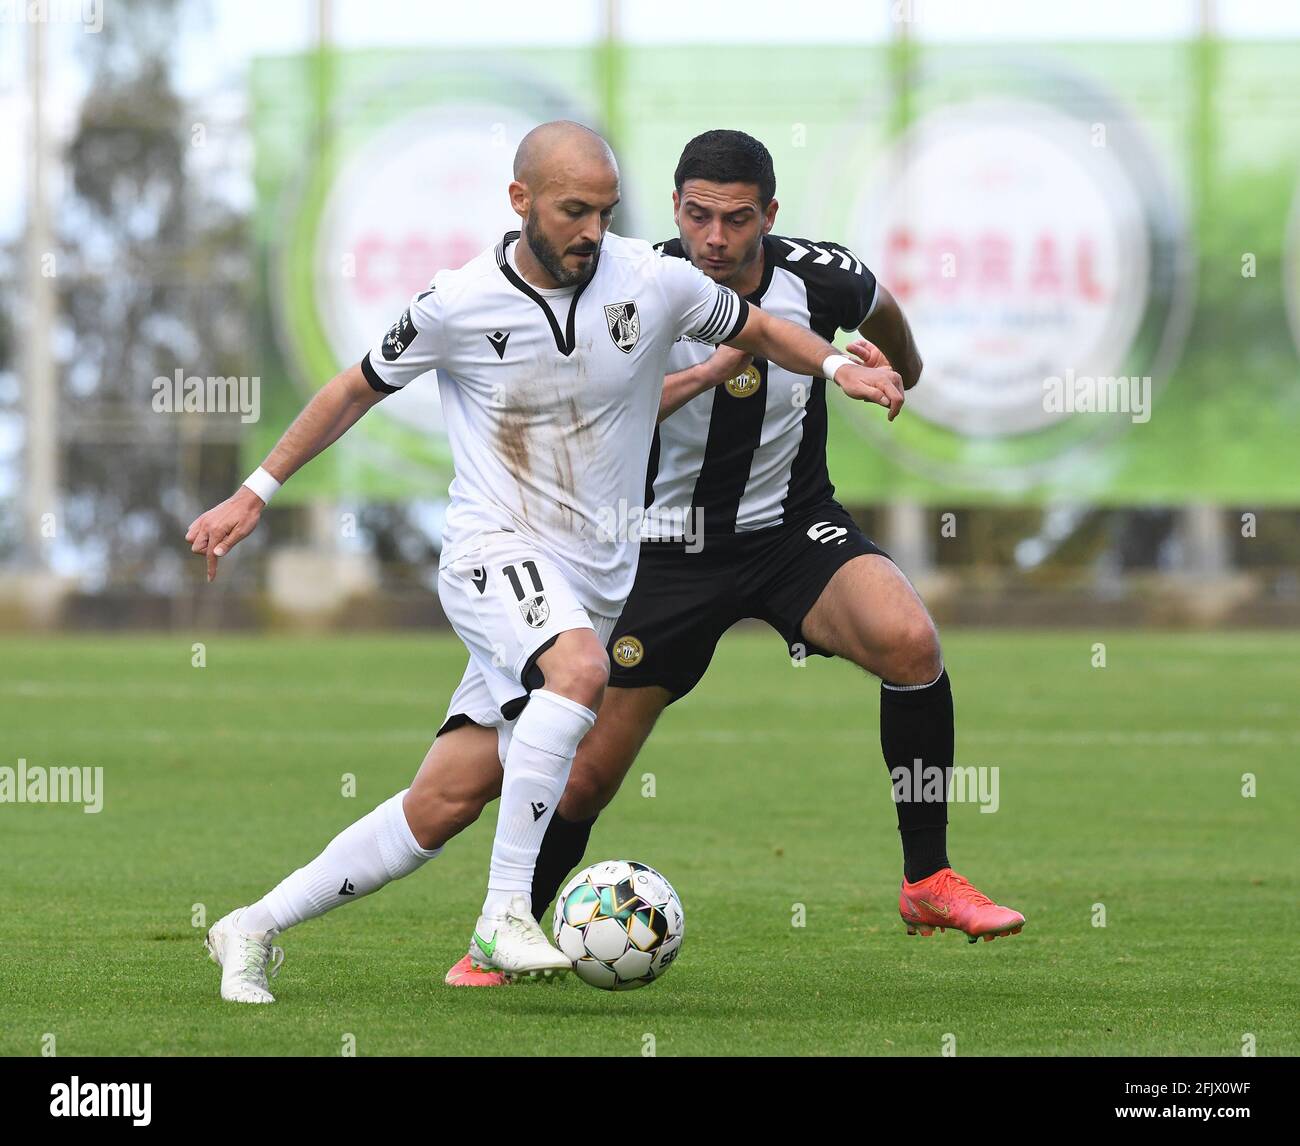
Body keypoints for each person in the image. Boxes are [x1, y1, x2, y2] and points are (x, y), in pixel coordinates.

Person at [185, 121, 905, 1002]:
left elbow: (759, 330)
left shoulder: (652, 280)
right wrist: (255, 490)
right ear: (520, 200)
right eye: (573, 210)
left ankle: (250, 927)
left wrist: (836, 365)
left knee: (445, 799)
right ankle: (501, 920)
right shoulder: (457, 302)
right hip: (494, 553)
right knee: (578, 669)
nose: (592, 230)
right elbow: (351, 390)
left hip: (592, 579)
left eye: (604, 211)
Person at [426, 129, 1025, 988]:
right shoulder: (634, 286)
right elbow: (607, 411)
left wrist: (904, 364)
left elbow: (881, 308)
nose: (715, 237)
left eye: (736, 220)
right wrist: (710, 370)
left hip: (791, 532)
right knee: (585, 779)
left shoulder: (821, 277)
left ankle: (927, 879)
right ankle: (500, 935)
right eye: (698, 216)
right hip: (664, 551)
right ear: (675, 211)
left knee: (911, 642)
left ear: (767, 217)